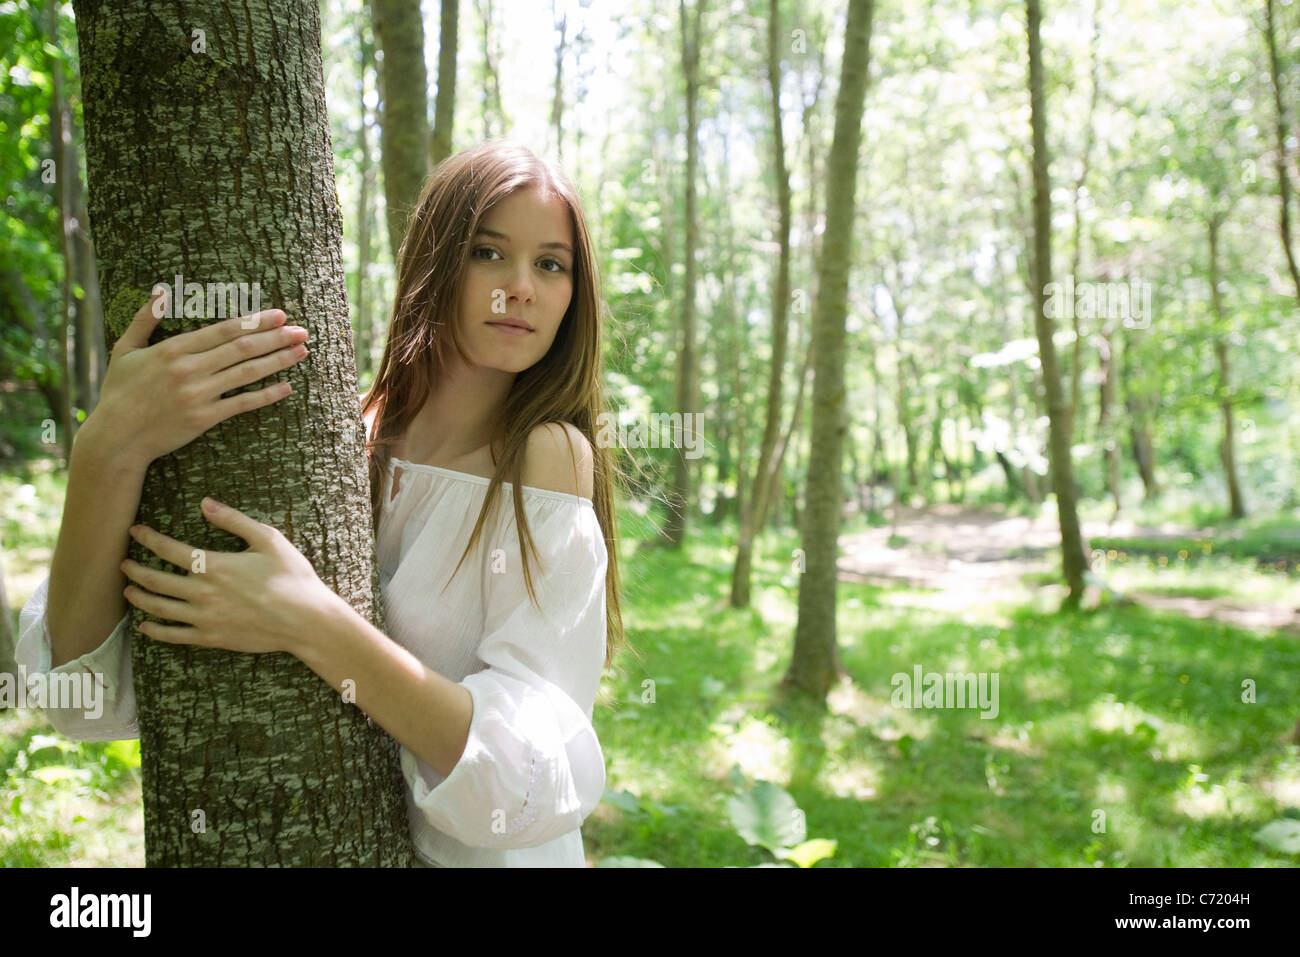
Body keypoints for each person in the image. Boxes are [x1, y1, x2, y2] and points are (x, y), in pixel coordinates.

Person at [15, 140, 626, 867]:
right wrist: (106, 449)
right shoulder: (339, 438)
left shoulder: (547, 455)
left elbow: (530, 773)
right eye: (488, 253)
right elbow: (84, 698)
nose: (520, 287)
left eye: (551, 264)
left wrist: (310, 622)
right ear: (435, 262)